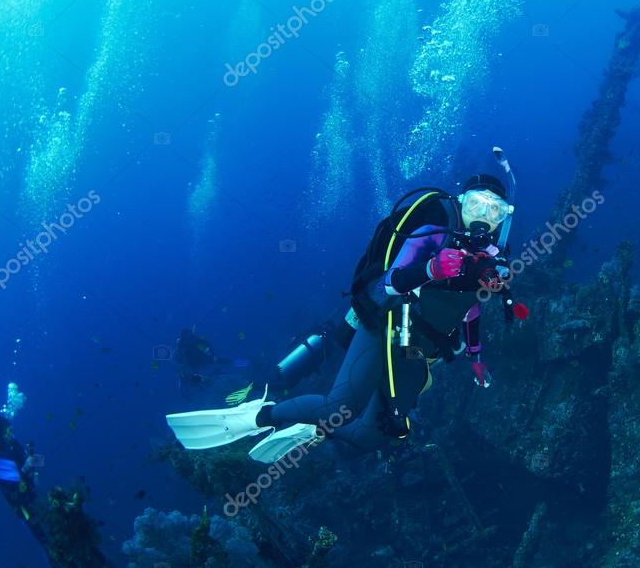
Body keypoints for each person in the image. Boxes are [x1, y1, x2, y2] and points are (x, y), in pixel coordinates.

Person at [167, 149, 526, 464]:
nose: (483, 215)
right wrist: (430, 268)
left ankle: (312, 428)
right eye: (477, 204)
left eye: (494, 211)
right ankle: (257, 416)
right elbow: (388, 282)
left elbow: (471, 309)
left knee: (374, 435)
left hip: (418, 351)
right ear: (461, 203)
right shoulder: (433, 234)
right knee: (340, 409)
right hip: (386, 326)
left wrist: (476, 358)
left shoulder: (490, 260)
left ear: (502, 219)